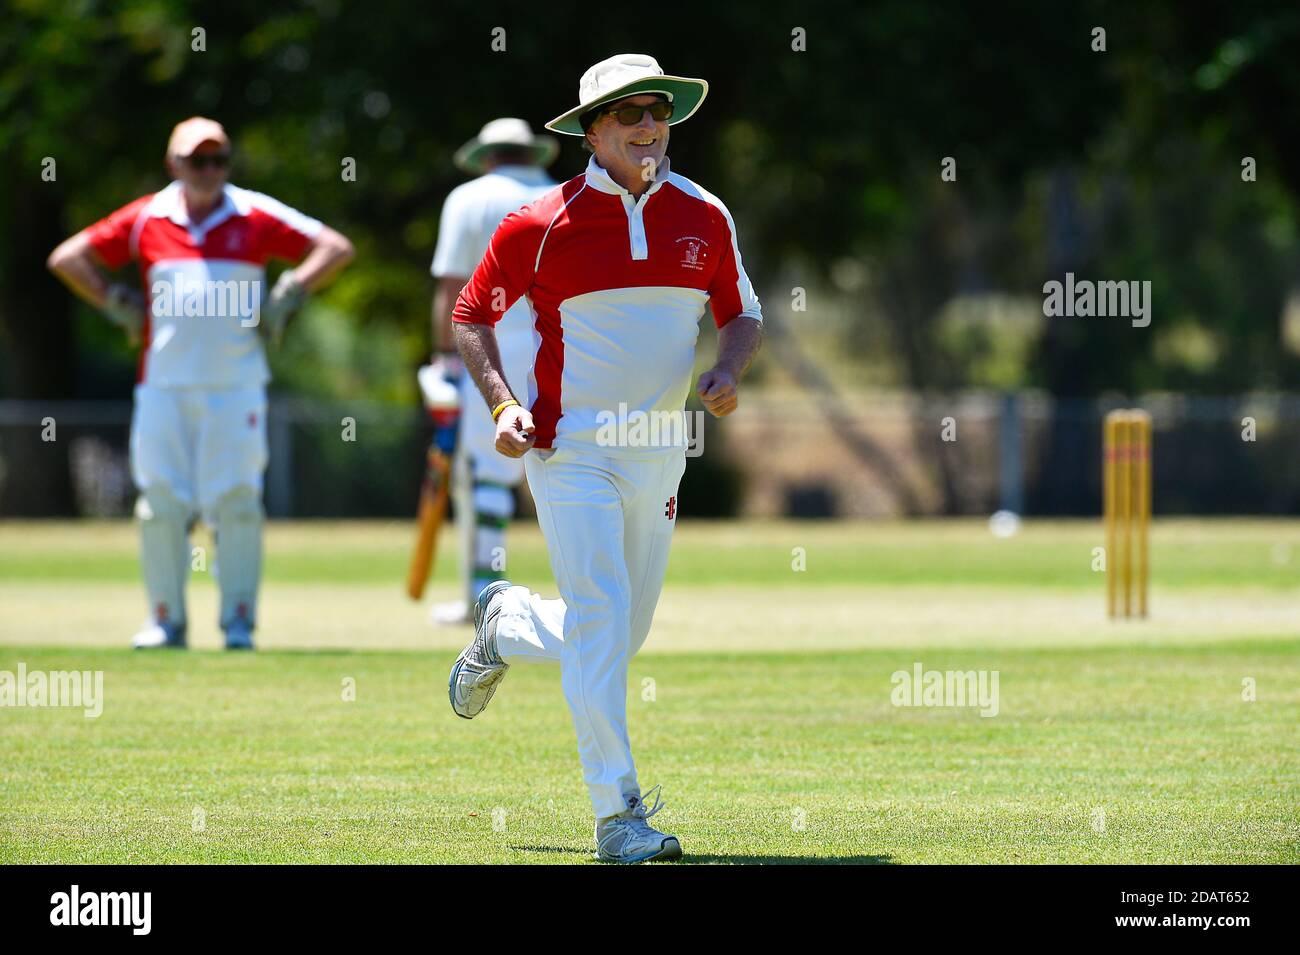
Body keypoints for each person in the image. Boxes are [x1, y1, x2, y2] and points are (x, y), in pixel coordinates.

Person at [447, 54, 763, 862]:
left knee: (620, 630)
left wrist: (728, 368)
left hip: (660, 452)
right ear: (593, 132)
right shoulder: (536, 222)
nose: (651, 127)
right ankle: (619, 815)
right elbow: (471, 314)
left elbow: (742, 311)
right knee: (601, 617)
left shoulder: (705, 214)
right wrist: (503, 403)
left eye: (659, 112)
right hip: (569, 447)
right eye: (631, 115)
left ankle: (507, 620)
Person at [46, 117, 354, 651]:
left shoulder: (255, 213)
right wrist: (115, 302)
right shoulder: (147, 217)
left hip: (237, 388)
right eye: (197, 160)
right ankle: (165, 620)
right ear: (174, 165)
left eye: (218, 160)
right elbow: (68, 258)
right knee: (161, 501)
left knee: (236, 501)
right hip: (162, 387)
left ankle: (238, 621)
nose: (209, 171)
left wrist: (292, 290)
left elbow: (334, 248)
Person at [427, 119, 557, 625]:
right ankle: (595, 595)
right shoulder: (565, 195)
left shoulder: (468, 197)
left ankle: (484, 599)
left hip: (488, 347)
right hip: (558, 347)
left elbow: (452, 287)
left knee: (485, 476)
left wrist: (442, 356)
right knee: (562, 467)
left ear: (486, 156)